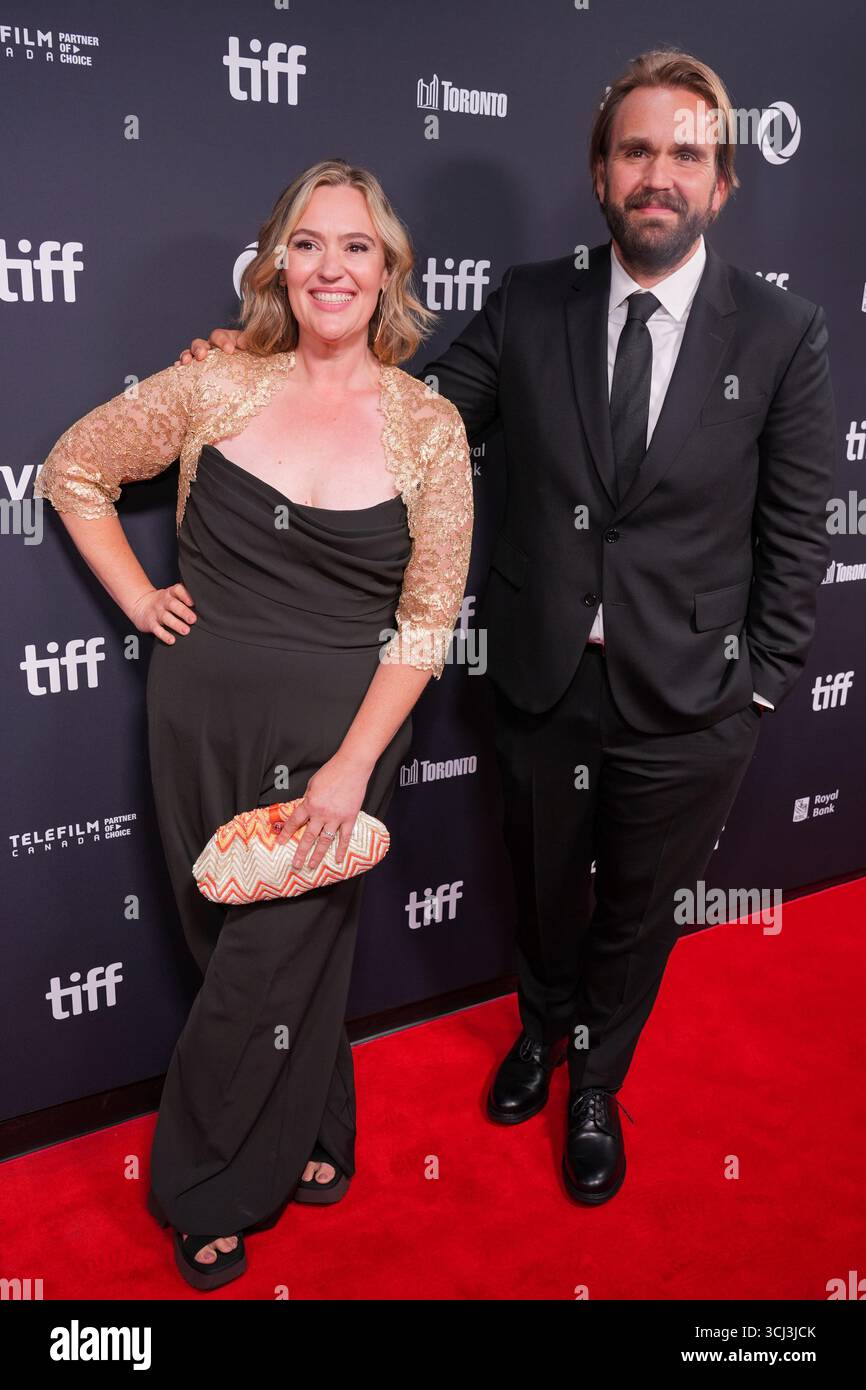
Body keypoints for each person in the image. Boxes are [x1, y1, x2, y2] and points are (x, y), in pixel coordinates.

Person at [181, 51, 836, 1207]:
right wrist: (262, 373)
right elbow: (408, 414)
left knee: (638, 916)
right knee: (540, 894)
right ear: (599, 173)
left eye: (685, 153)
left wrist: (763, 688)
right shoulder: (534, 301)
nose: (657, 174)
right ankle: (539, 1031)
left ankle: (595, 1076)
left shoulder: (782, 333)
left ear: (721, 181)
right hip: (539, 681)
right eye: (635, 150)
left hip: (694, 698)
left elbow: (797, 529)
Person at [34, 158, 472, 1288]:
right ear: (280, 260)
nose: (332, 266)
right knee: (241, 946)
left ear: (388, 272)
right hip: (198, 716)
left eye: (356, 247)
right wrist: (137, 598)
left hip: (344, 737)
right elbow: (74, 468)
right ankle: (322, 1129)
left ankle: (201, 1185)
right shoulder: (215, 385)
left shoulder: (428, 427)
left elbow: (426, 623)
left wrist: (353, 764)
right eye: (310, 243)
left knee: (266, 957)